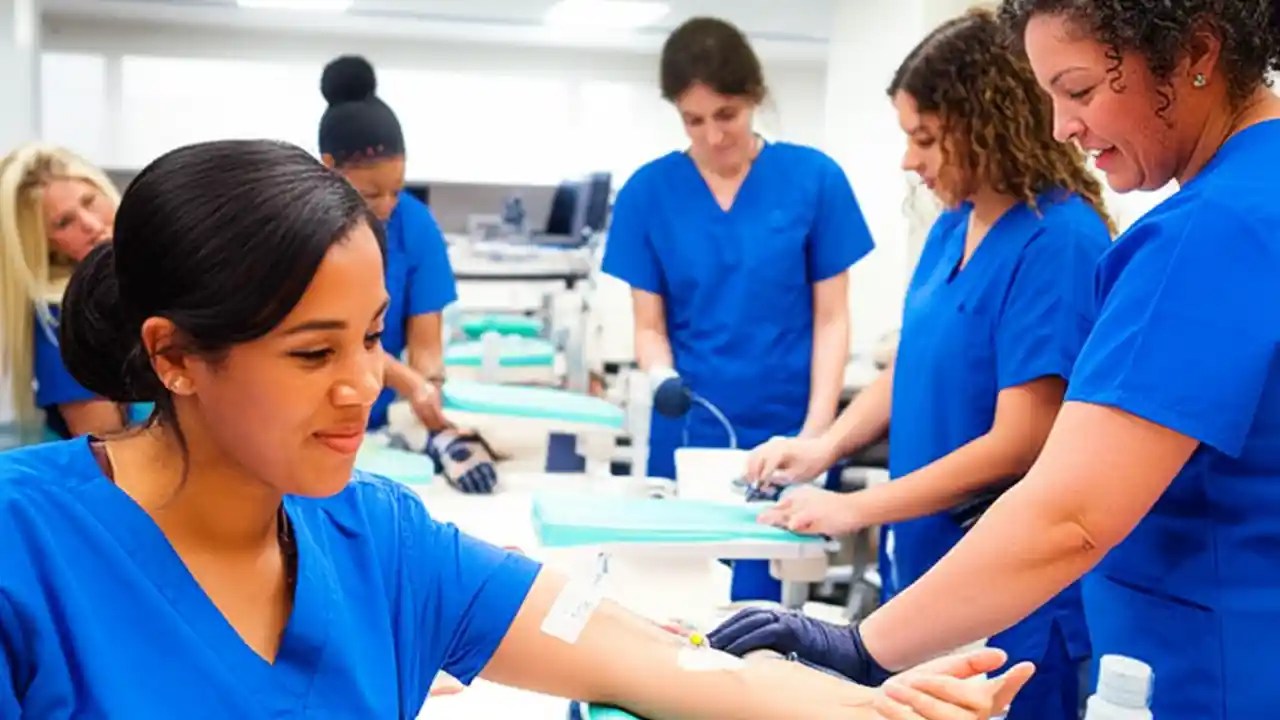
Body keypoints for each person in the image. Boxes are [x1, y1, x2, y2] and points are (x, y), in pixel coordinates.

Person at [0, 138, 1033, 720]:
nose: (363, 387)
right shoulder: (27, 552)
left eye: (370, 339)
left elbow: (654, 664)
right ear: (175, 357)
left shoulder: (381, 541)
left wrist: (872, 710)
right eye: (313, 355)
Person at [709, 1, 1280, 717]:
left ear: (1196, 53)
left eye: (1078, 91)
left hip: (1212, 671)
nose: (1062, 126)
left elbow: (1072, 514)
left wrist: (861, 647)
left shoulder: (1206, 232)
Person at [727, 10, 1113, 719]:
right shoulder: (950, 229)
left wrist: (854, 507)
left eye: (927, 138)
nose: (911, 160)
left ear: (991, 122)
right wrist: (823, 449)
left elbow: (1019, 441)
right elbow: (909, 369)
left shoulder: (1058, 242)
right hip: (926, 578)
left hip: (1011, 601)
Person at [601, 16, 875, 602]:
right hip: (686, 426)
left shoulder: (813, 180)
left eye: (726, 115)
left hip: (783, 431)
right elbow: (648, 326)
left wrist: (817, 432)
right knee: (673, 604)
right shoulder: (649, 193)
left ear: (754, 98)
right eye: (693, 120)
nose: (713, 135)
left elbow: (832, 318)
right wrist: (659, 375)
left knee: (762, 610)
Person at [318, 54, 455, 434]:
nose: (387, 205)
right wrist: (409, 382)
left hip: (374, 422)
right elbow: (327, 338)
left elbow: (426, 343)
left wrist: (431, 388)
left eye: (397, 189)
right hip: (304, 415)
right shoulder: (302, 229)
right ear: (329, 166)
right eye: (371, 193)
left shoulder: (415, 225)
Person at [0, 142, 137, 439]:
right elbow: (107, 452)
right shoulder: (61, 320)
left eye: (89, 202)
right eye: (64, 222)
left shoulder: (164, 274)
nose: (90, 224)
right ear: (45, 248)